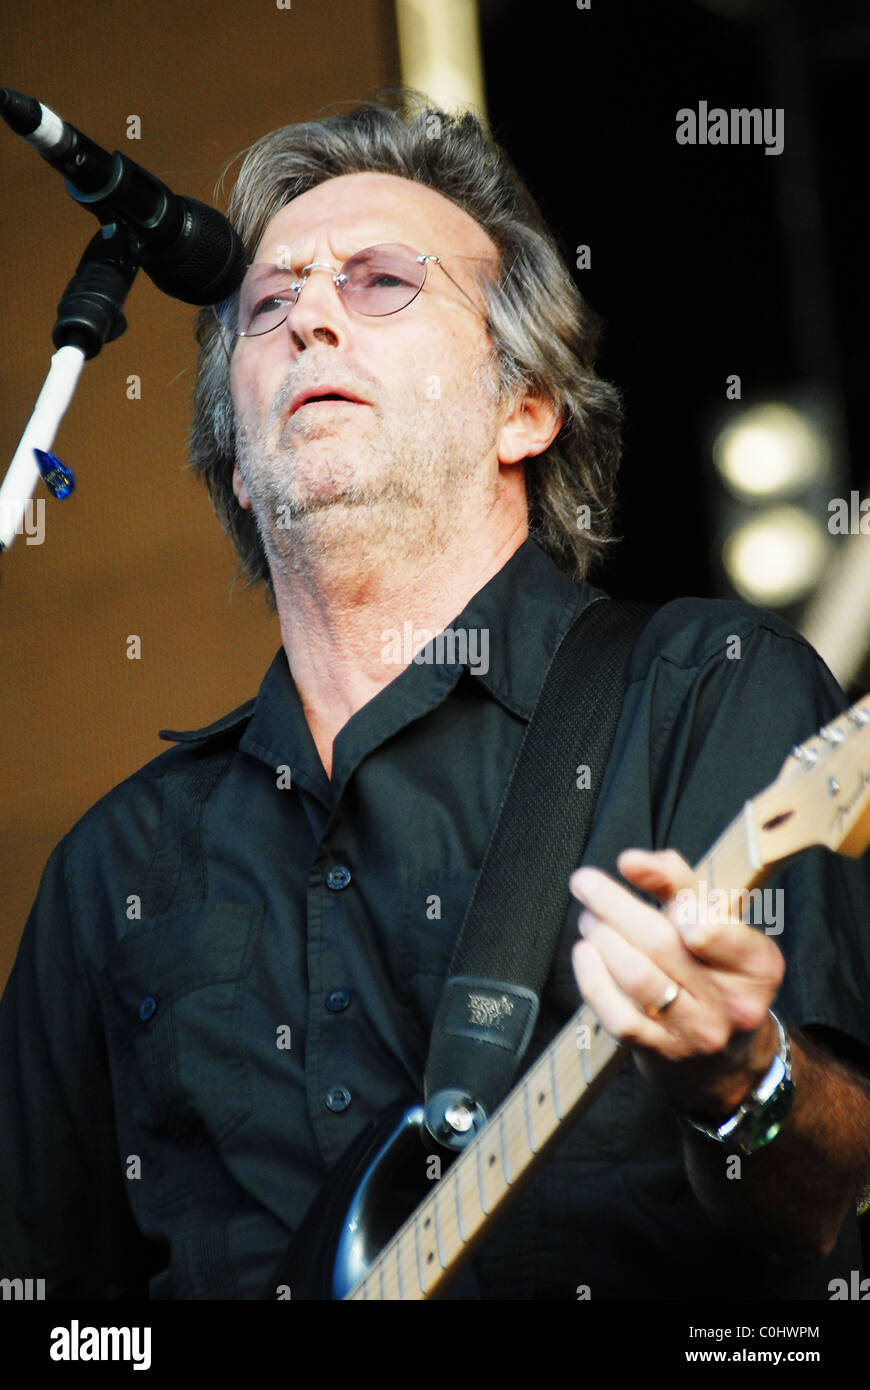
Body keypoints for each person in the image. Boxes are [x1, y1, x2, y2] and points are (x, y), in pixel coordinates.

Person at [2, 93, 869, 1301]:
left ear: (526, 407)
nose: (309, 315)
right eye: (269, 302)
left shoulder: (703, 694)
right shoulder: (111, 868)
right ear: (240, 470)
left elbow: (828, 1207)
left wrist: (746, 1082)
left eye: (381, 284)